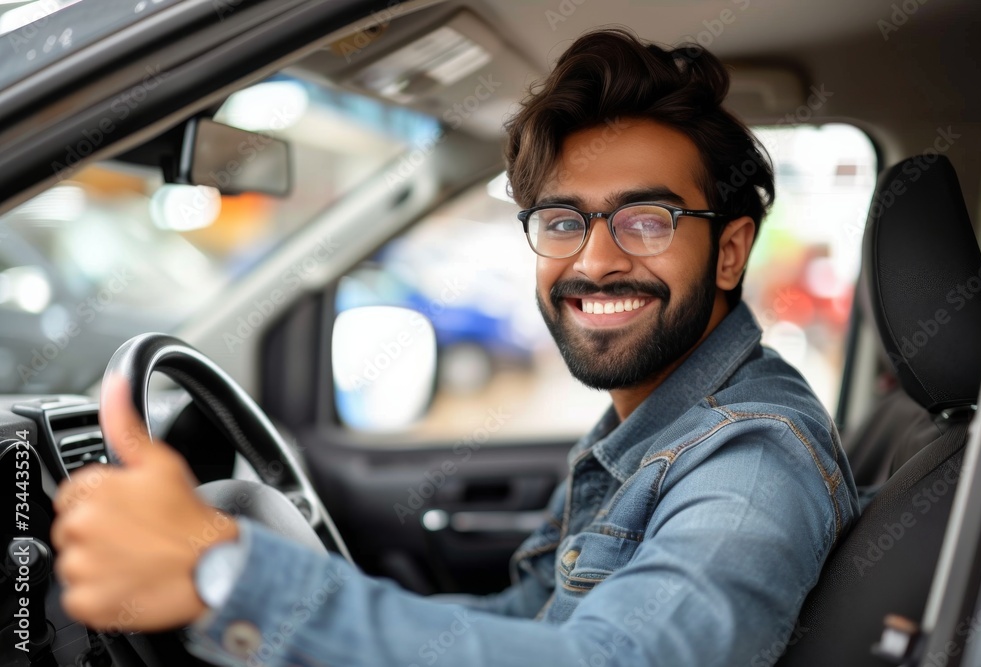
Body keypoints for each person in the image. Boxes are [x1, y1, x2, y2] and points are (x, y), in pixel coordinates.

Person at [51, 28, 859, 667]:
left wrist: (222, 572)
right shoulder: (646, 430)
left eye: (646, 220)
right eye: (563, 220)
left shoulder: (751, 461)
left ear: (728, 250)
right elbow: (525, 621)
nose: (596, 259)